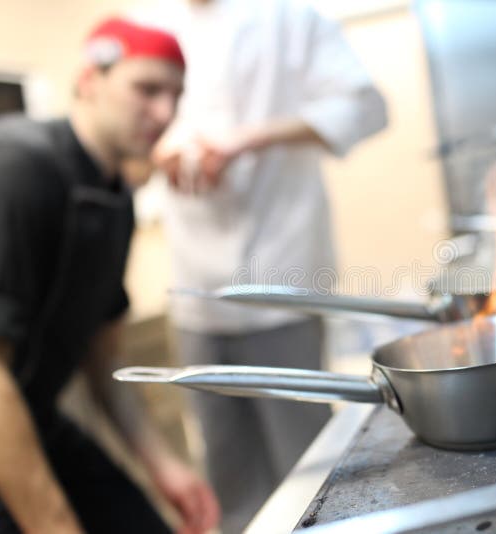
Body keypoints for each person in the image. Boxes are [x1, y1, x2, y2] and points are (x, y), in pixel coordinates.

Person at [145, 0, 388, 531]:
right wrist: (157, 152)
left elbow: (364, 105)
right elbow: (137, 130)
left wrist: (244, 139)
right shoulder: (153, 20)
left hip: (278, 272)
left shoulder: (288, 16)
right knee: (227, 466)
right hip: (194, 288)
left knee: (306, 467)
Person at [0, 17, 220, 534]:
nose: (165, 112)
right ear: (89, 80)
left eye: (176, 95)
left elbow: (103, 355)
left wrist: (165, 467)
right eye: (147, 89)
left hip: (31, 413)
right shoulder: (16, 165)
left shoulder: (115, 198)